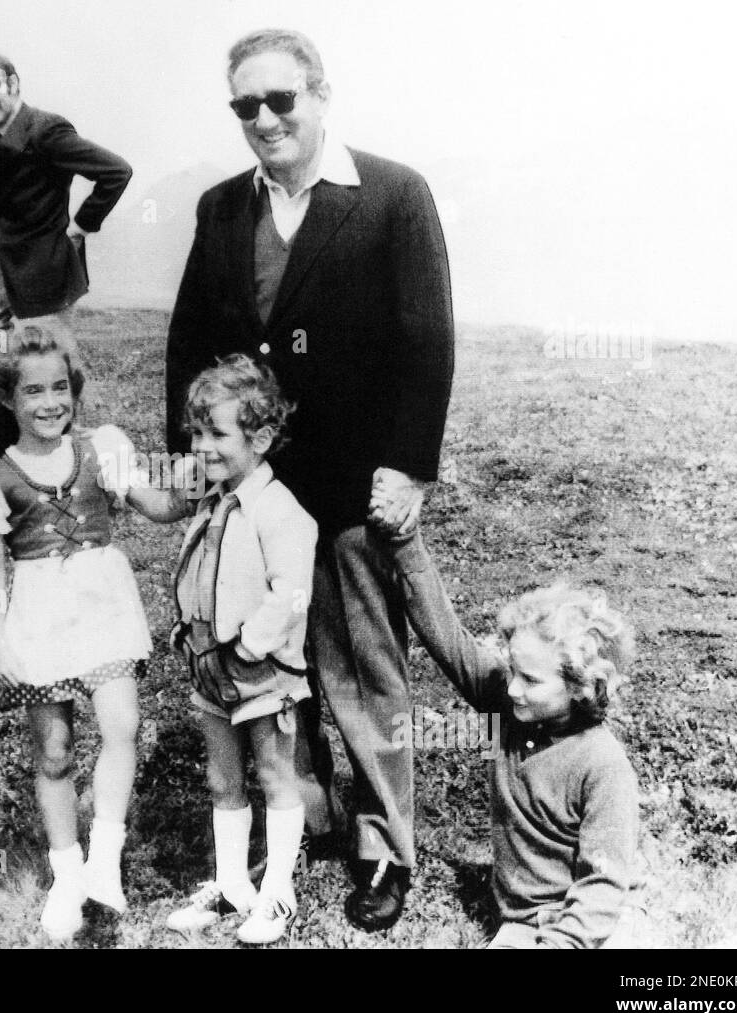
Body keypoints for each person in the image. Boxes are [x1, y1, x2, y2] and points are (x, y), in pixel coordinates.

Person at [164, 28, 455, 931]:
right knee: (269, 663)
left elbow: (427, 339)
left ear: (321, 96)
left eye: (280, 100)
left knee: (366, 669)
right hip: (253, 495)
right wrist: (193, 454)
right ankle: (309, 811)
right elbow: (188, 341)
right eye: (245, 106)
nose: (263, 119)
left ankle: (382, 846)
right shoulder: (221, 210)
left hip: (354, 491)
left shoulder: (393, 197)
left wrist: (408, 467)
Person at [0, 327, 150, 941]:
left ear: (74, 391)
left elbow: (156, 502)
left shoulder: (102, 449)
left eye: (60, 387)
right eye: (33, 391)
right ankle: (67, 875)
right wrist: (1, 644)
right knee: (54, 751)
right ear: (9, 400)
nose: (49, 402)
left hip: (105, 608)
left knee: (122, 726)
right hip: (38, 620)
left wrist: (214, 480)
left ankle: (105, 861)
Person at [378, 522, 647, 948]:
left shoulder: (602, 766)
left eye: (531, 680)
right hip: (524, 921)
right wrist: (406, 543)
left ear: (580, 687)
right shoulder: (510, 707)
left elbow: (602, 888)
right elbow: (446, 636)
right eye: (512, 670)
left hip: (585, 926)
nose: (512, 688)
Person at [124, 355, 315, 944]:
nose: (202, 447)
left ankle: (278, 893)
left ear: (259, 439)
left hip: (262, 674)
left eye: (217, 434)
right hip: (210, 671)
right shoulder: (213, 497)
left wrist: (254, 645)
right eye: (197, 434)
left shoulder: (277, 509)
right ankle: (231, 883)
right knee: (221, 778)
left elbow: (292, 589)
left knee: (275, 774)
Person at [0, 52, 133, 371]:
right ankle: (1, 420)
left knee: (50, 371)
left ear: (13, 83)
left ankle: (64, 421)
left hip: (43, 279)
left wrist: (80, 227)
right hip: (3, 277)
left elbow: (116, 171)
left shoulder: (45, 130)